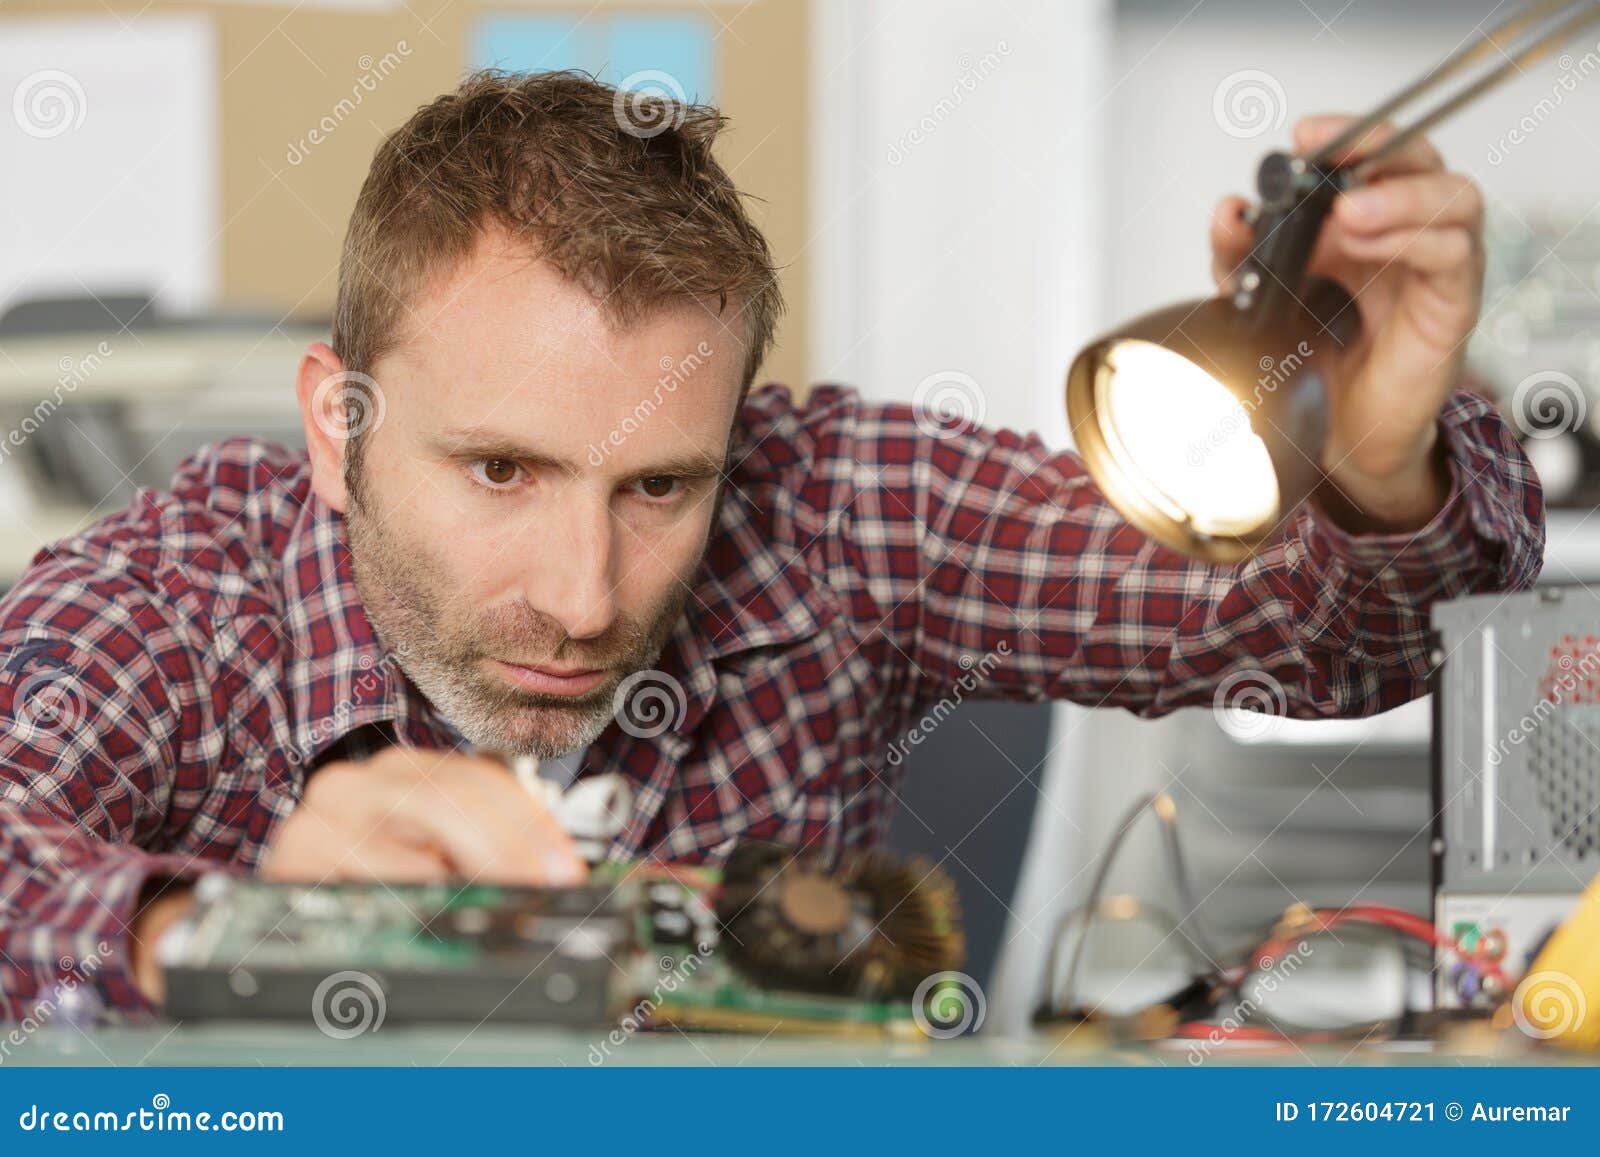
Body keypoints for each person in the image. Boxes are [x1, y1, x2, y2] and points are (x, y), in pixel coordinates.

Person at [0, 71, 1542, 1017]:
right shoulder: (179, 594)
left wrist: (1381, 460)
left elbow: (1342, 641)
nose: (582, 599)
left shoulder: (834, 505)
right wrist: (210, 925)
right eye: (499, 468)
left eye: (660, 487)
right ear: (336, 427)